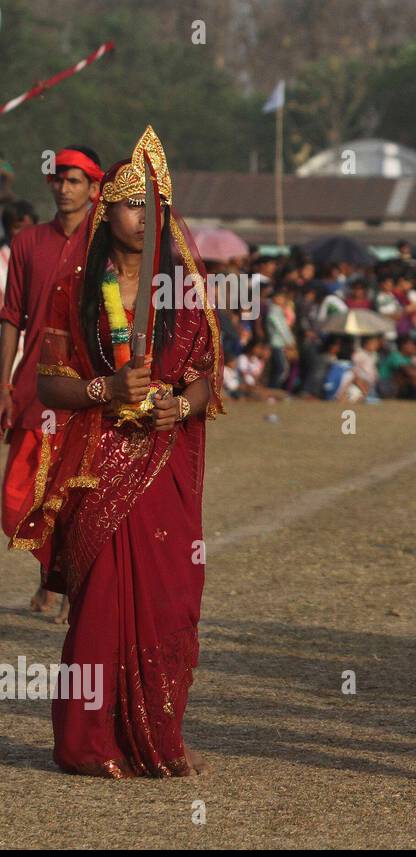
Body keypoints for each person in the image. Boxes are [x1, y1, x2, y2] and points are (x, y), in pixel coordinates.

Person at [9, 126, 224, 777]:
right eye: (130, 205)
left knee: (171, 599)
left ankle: (154, 741)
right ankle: (86, 744)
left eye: (152, 206)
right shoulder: (76, 285)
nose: (142, 218)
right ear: (108, 209)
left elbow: (205, 381)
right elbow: (48, 381)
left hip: (163, 465)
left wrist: (177, 406)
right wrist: (104, 387)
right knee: (100, 604)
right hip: (96, 461)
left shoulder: (183, 288)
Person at [2, 145, 103, 620]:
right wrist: (2, 383)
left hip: (84, 390)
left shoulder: (103, 244)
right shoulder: (27, 244)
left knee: (72, 494)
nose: (64, 188)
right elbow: (10, 319)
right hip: (30, 388)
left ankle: (63, 585)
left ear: (94, 187)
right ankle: (54, 576)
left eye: (75, 180)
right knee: (17, 500)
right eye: (59, 179)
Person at [1, 200, 38, 306]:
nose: (24, 234)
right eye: (17, 227)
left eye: (28, 228)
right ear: (8, 229)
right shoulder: (1, 260)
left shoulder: (45, 258)